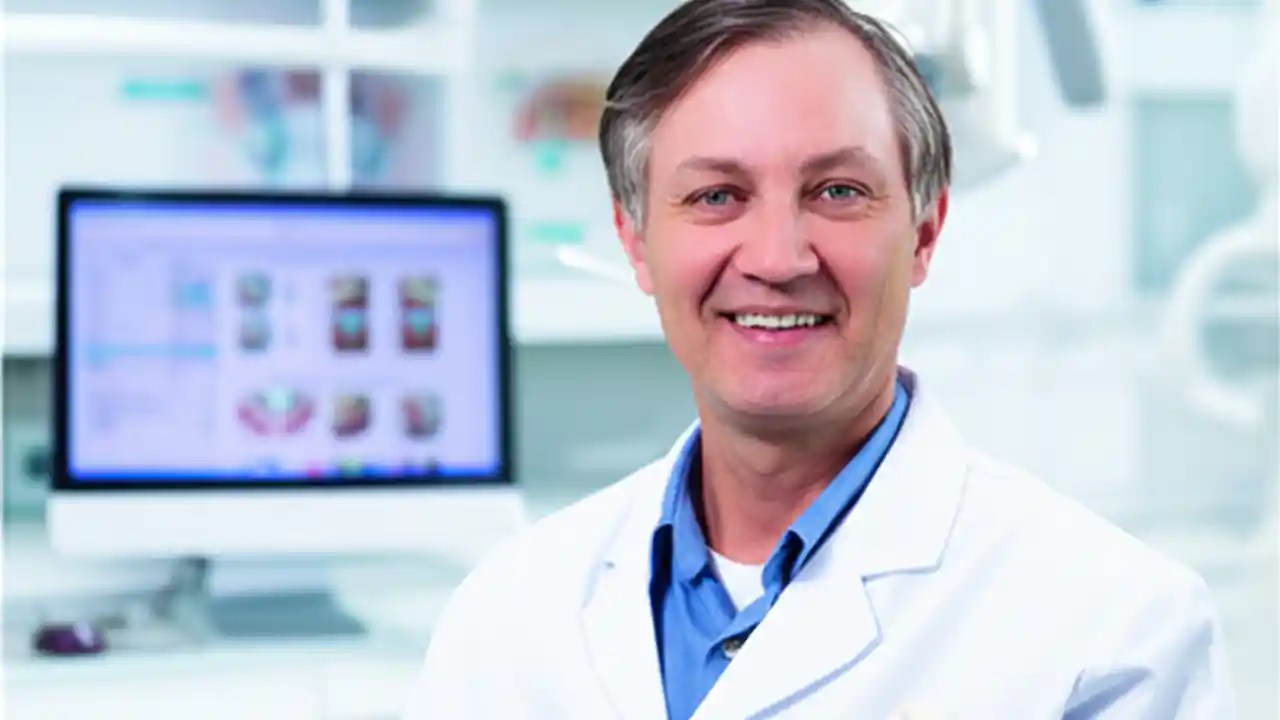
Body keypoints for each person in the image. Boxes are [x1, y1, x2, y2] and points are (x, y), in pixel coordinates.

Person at [405, 1, 1236, 718]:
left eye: (837, 191)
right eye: (716, 196)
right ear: (636, 241)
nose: (777, 255)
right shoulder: (508, 614)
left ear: (923, 230)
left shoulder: (1116, 632)